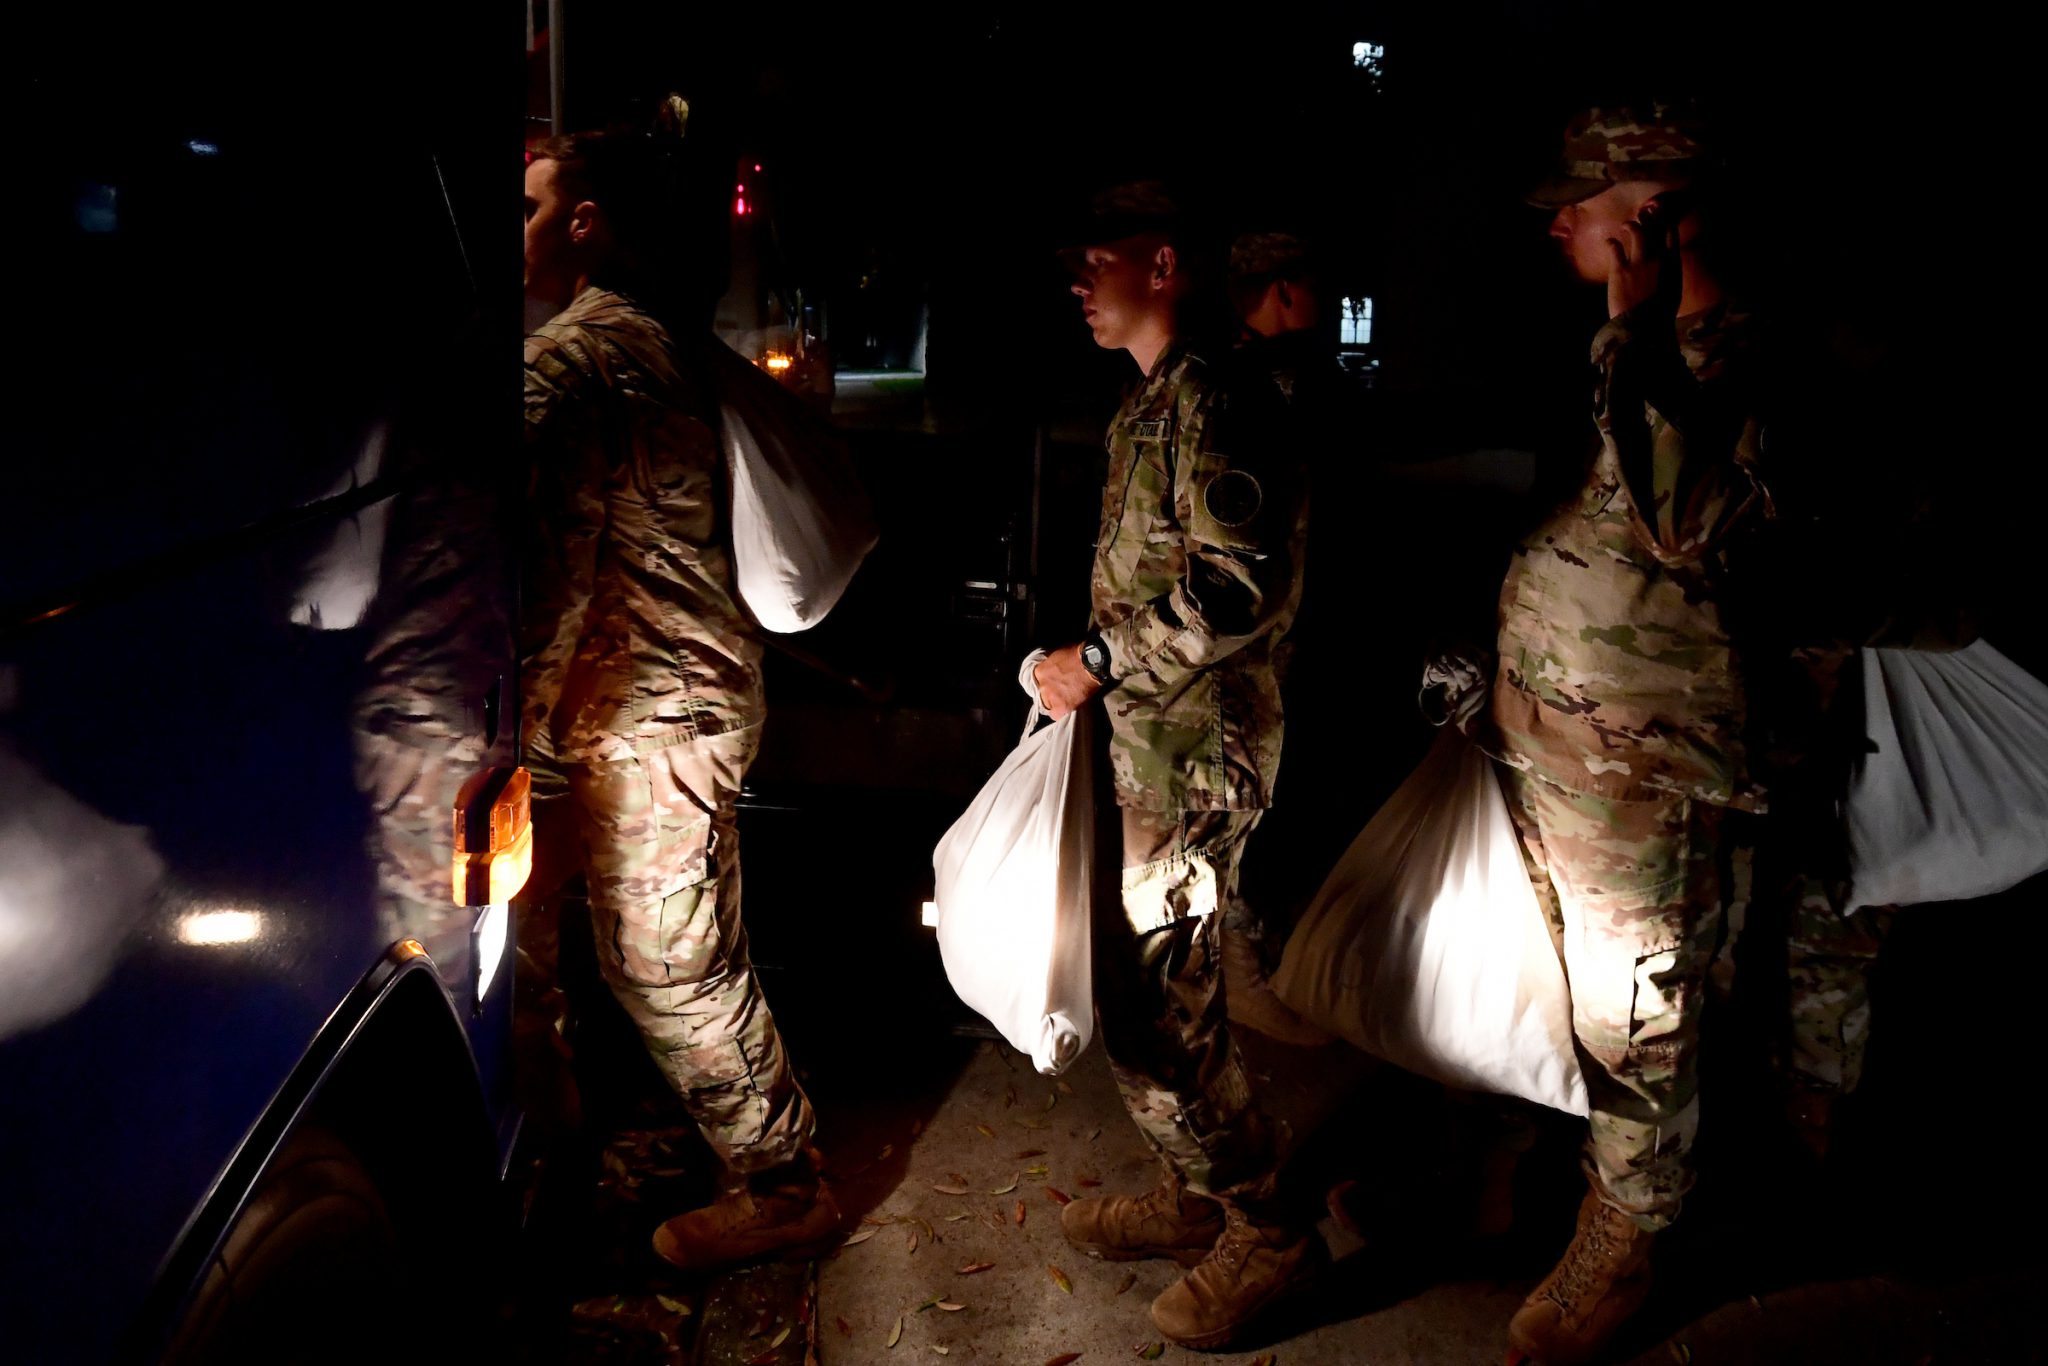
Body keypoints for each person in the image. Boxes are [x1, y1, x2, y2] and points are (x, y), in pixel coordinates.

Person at [1425, 102, 1775, 1363]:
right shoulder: (1657, 349)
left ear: (1657, 214)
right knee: (1586, 1004)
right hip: (1572, 748)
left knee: (1637, 1008)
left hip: (1646, 762)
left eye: (1584, 197)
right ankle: (1577, 1189)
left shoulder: (1724, 352)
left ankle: (1629, 1238)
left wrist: (1630, 328)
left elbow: (1686, 525)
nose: (1561, 221)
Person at [519, 114, 836, 1273]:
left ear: (585, 223)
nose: (520, 231)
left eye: (532, 206)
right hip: (665, 706)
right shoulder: (654, 339)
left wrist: (513, 746)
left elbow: (545, 584)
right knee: (624, 952)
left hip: (641, 717)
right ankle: (569, 1150)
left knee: (668, 961)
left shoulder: (574, 361)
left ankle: (783, 1180)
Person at [1037, 182, 1318, 1351]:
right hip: (1157, 743)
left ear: (1160, 264)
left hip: (1200, 751)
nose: (1074, 283)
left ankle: (1266, 1223)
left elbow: (1234, 585)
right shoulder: (1153, 399)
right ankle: (1196, 1190)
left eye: (1093, 258)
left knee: (1158, 1003)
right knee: (1150, 986)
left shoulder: (1219, 392)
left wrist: (1097, 657)